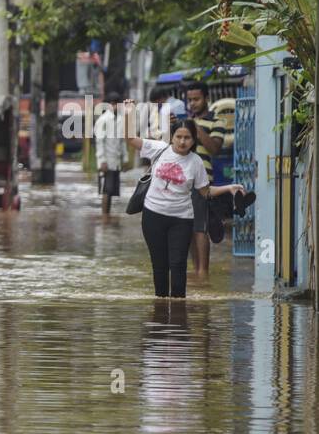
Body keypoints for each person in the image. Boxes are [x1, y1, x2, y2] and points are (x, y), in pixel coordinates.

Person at [124, 109, 242, 299]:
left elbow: (205, 191)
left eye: (187, 138)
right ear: (172, 137)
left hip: (182, 219)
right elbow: (130, 139)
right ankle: (160, 309)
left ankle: (179, 313)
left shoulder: (196, 163)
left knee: (178, 264)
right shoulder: (158, 149)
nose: (182, 141)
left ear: (193, 140)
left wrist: (229, 188)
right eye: (178, 136)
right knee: (160, 265)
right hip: (153, 216)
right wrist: (129, 113)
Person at [185, 81, 230, 276]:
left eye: (196, 99)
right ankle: (196, 273)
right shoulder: (185, 121)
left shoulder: (217, 120)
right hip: (183, 181)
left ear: (206, 98)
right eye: (189, 100)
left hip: (203, 179)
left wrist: (195, 128)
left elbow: (215, 148)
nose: (192, 104)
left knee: (200, 228)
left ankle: (203, 274)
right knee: (188, 230)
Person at [95, 94, 126, 216]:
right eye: (112, 104)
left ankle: (107, 215)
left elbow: (122, 141)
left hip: (116, 160)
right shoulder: (103, 120)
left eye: (117, 104)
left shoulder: (120, 120)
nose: (115, 106)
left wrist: (125, 159)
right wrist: (102, 161)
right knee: (106, 190)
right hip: (106, 161)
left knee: (112, 190)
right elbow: (99, 142)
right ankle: (104, 217)